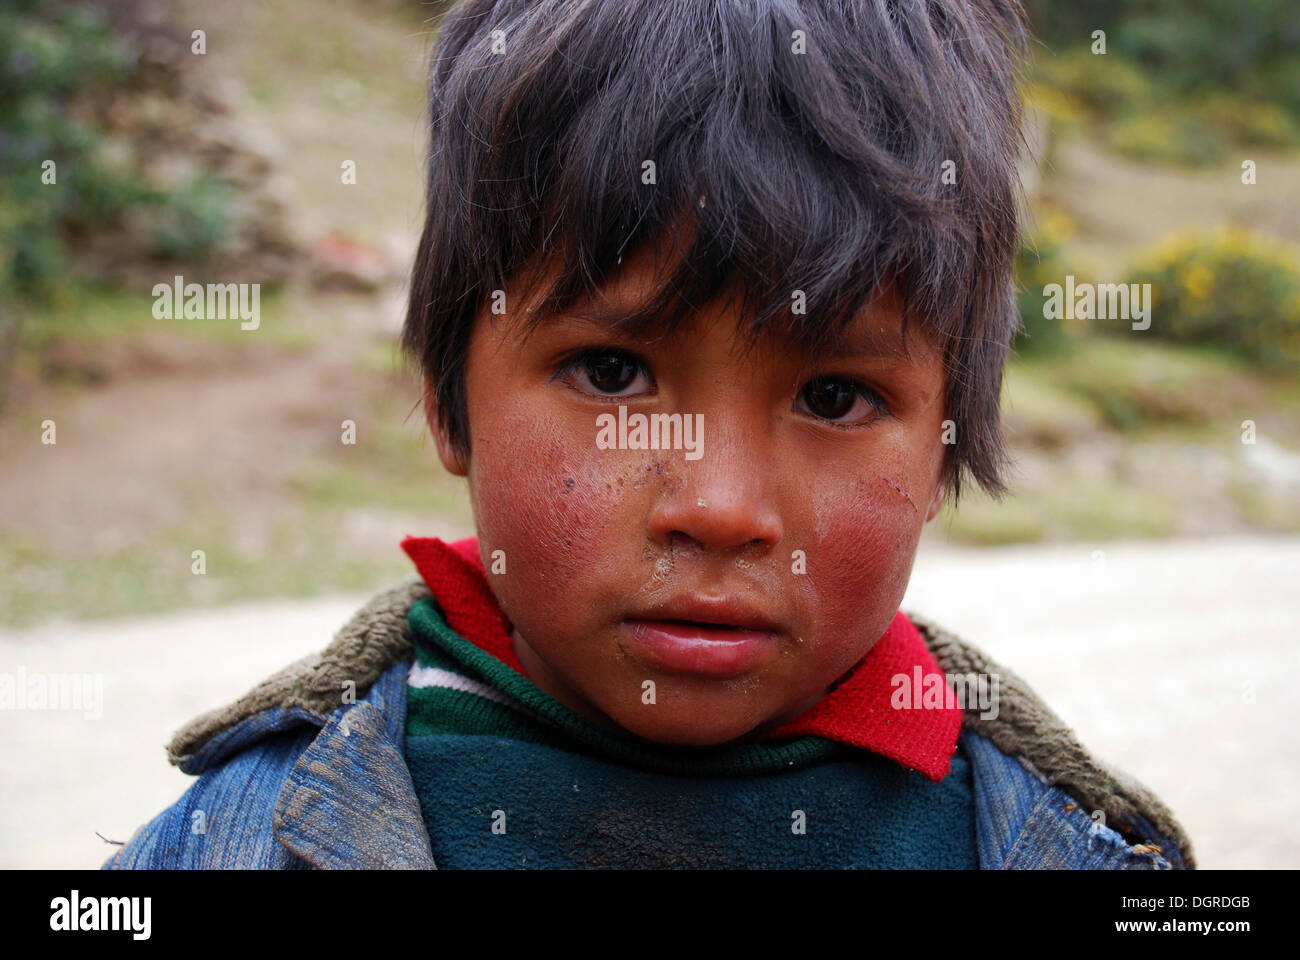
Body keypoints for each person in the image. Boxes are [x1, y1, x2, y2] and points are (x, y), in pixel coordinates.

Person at [105, 0, 1193, 870]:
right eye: (613, 373)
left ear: (947, 445)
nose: (719, 508)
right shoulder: (231, 843)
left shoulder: (1068, 849)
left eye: (832, 398)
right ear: (449, 402)